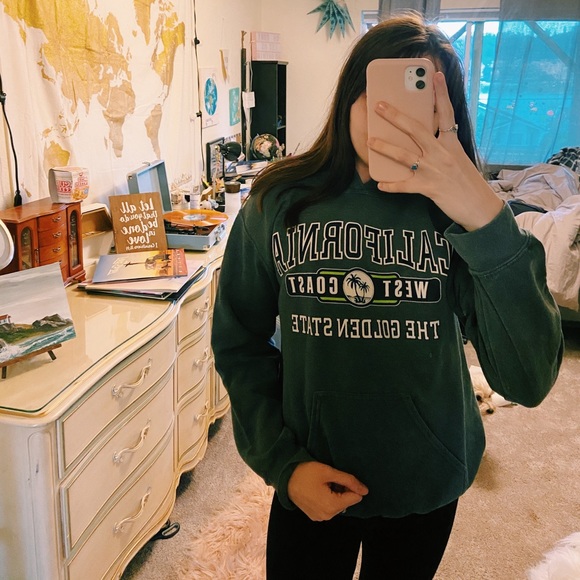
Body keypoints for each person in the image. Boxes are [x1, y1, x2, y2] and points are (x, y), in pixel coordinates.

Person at [211, 11, 564, 580]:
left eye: (420, 106)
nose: (396, 119)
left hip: (427, 477)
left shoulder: (462, 217)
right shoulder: (278, 202)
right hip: (307, 470)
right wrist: (282, 464)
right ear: (350, 94)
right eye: (380, 96)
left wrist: (485, 218)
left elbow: (527, 380)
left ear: (447, 118)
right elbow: (239, 342)